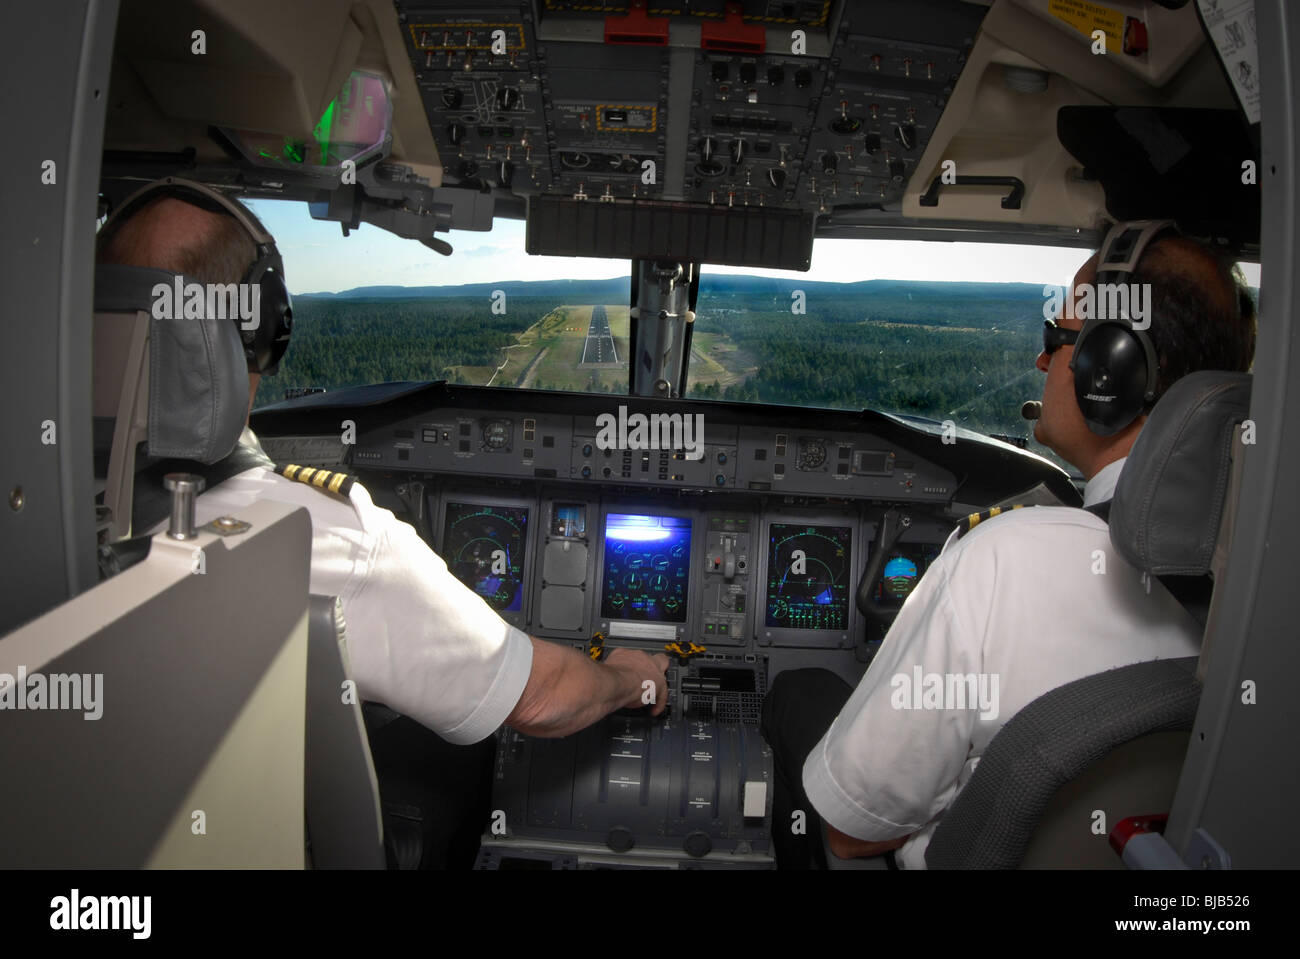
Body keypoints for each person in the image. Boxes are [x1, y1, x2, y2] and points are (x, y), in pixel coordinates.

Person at [96, 184, 670, 867]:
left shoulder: (34, 513)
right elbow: (542, 698)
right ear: (257, 333)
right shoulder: (328, 538)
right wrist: (630, 678)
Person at [760, 226, 1257, 869]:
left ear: (1114, 370)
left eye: (1060, 339)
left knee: (798, 690)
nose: (1045, 362)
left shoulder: (1006, 562)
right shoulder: (1268, 581)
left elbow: (854, 833)